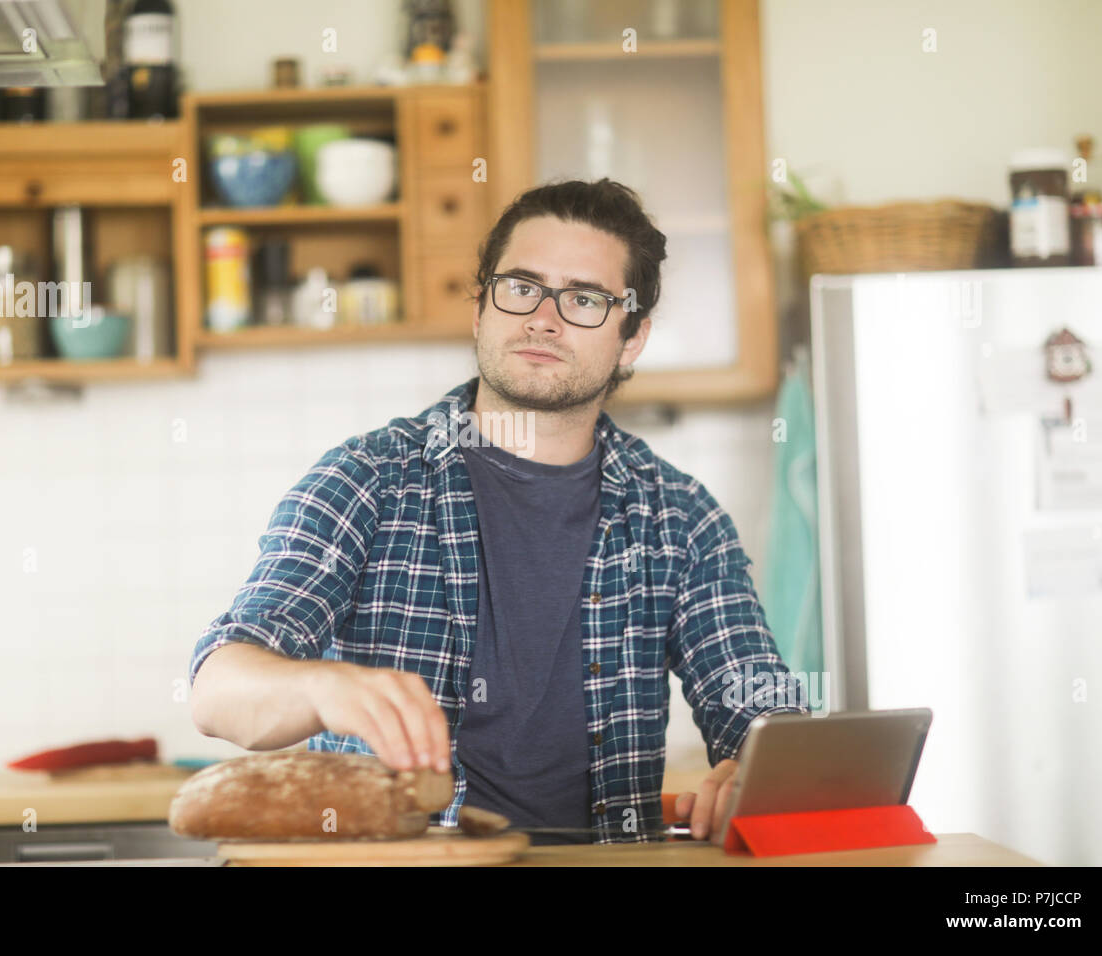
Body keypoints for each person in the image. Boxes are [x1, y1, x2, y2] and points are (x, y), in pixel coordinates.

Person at [189, 179, 808, 844]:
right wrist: (321, 687)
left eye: (585, 299)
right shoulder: (368, 480)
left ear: (632, 339)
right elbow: (218, 690)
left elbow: (765, 717)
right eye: (521, 286)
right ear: (481, 307)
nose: (543, 317)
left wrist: (753, 766)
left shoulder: (680, 517)